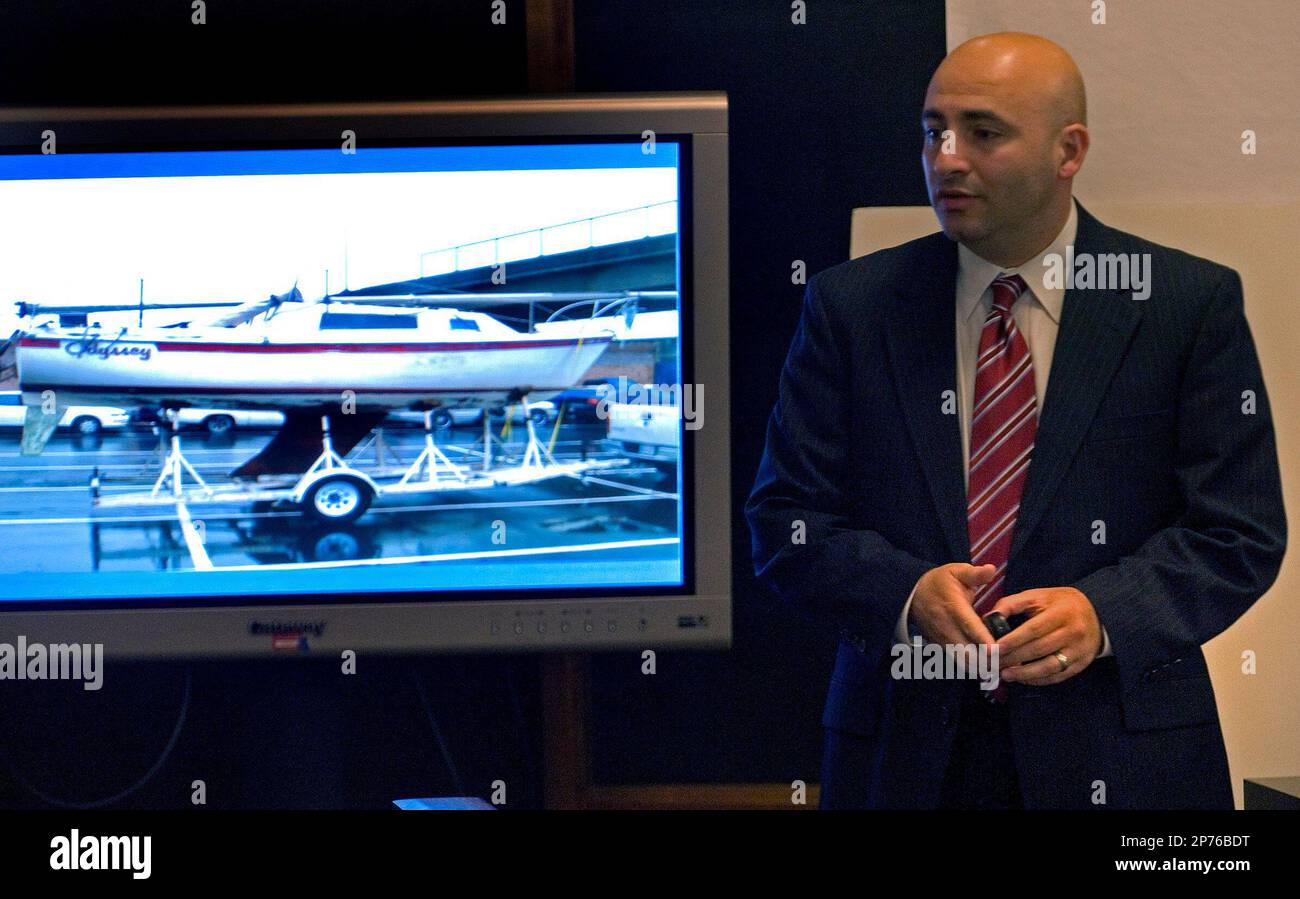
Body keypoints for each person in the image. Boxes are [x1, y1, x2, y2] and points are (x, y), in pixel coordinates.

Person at [744, 32, 1287, 809]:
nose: (947, 157)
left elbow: (1241, 529)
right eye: (933, 131)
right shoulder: (852, 307)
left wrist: (1104, 613)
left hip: (1127, 757)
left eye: (983, 132)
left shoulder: (1183, 305)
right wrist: (904, 595)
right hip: (904, 756)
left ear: (1070, 150)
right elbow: (784, 519)